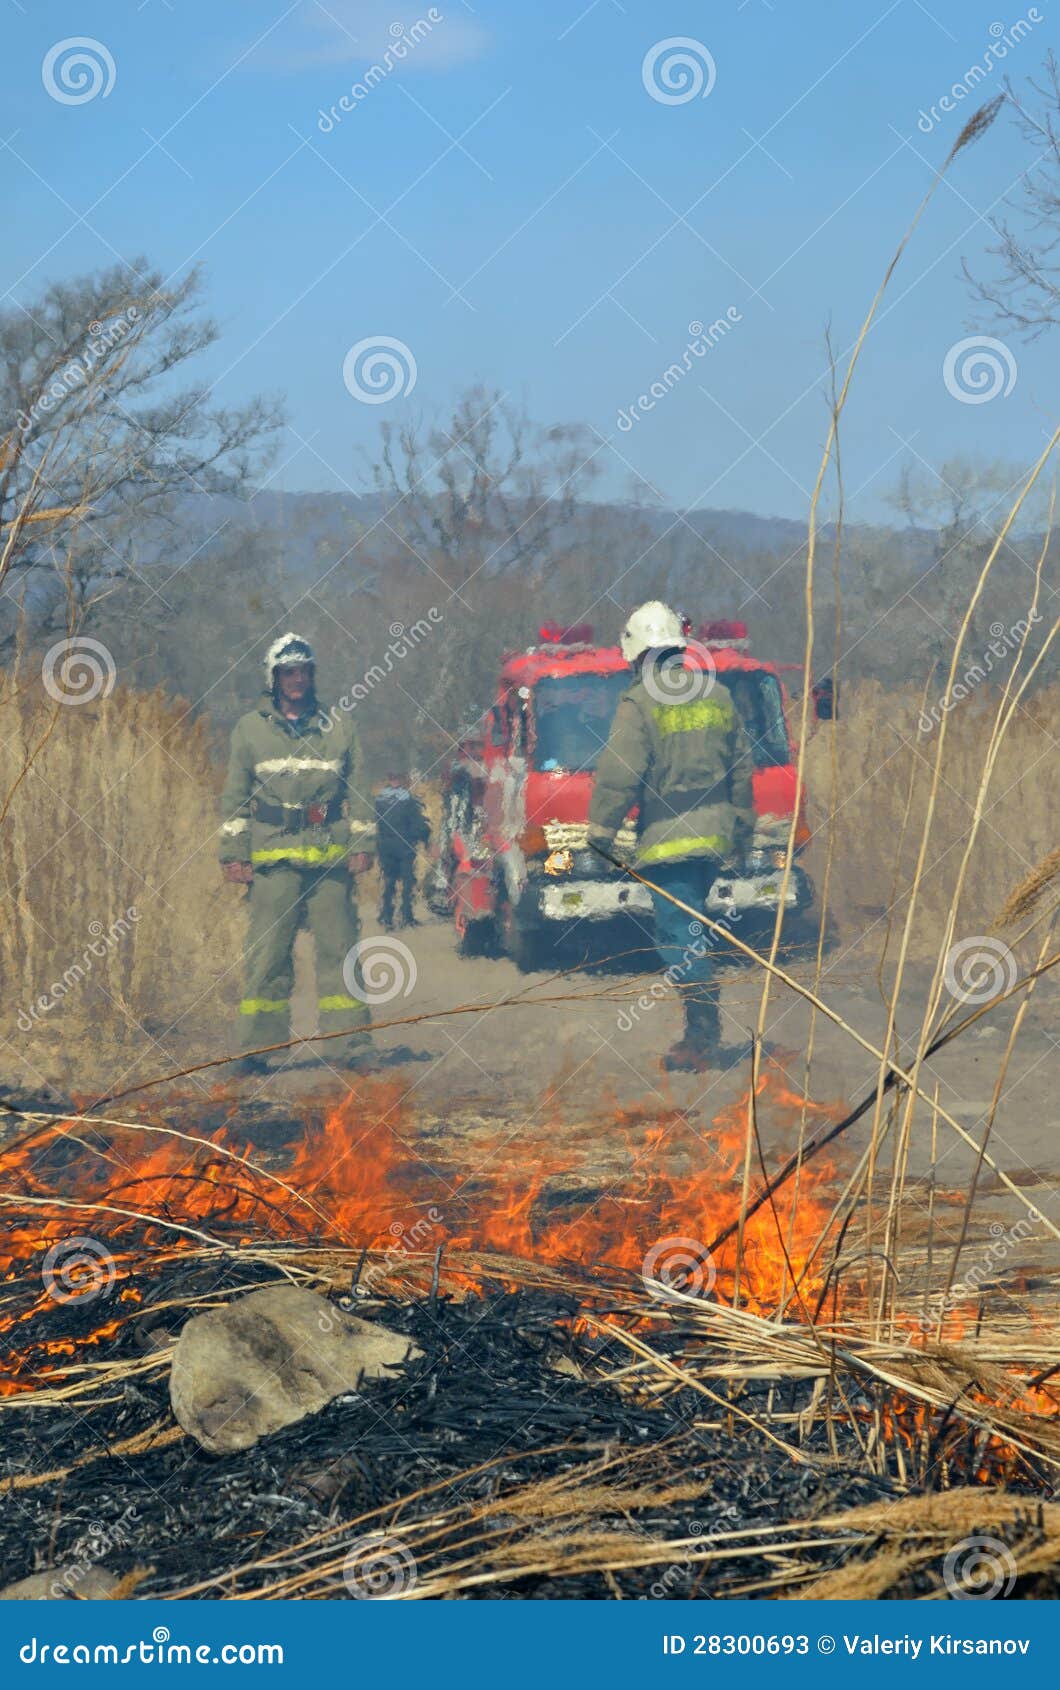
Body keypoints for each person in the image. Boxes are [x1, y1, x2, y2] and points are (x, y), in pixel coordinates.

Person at [588, 601, 755, 1072]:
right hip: (714, 839)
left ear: (639, 655)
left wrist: (600, 835)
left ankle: (704, 1038)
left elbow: (620, 774)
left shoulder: (638, 703)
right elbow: (741, 766)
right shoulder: (717, 695)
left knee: (681, 939)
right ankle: (699, 1031)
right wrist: (741, 828)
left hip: (666, 841)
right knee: (692, 930)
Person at [219, 632, 376, 1076]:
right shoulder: (249, 729)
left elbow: (360, 790)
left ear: (312, 675)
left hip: (329, 856)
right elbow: (233, 795)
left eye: (304, 671)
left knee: (339, 949)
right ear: (273, 678)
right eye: (288, 672)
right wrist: (233, 853)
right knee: (267, 952)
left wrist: (363, 844)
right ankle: (255, 1048)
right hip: (272, 859)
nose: (297, 680)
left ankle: (352, 1044)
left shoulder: (338, 726)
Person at [374, 774, 430, 929]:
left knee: (389, 879)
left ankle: (386, 915)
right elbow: (418, 824)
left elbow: (376, 822)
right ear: (402, 781)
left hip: (385, 845)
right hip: (404, 845)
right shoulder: (408, 800)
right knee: (407, 881)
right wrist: (424, 839)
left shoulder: (379, 800)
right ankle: (406, 915)